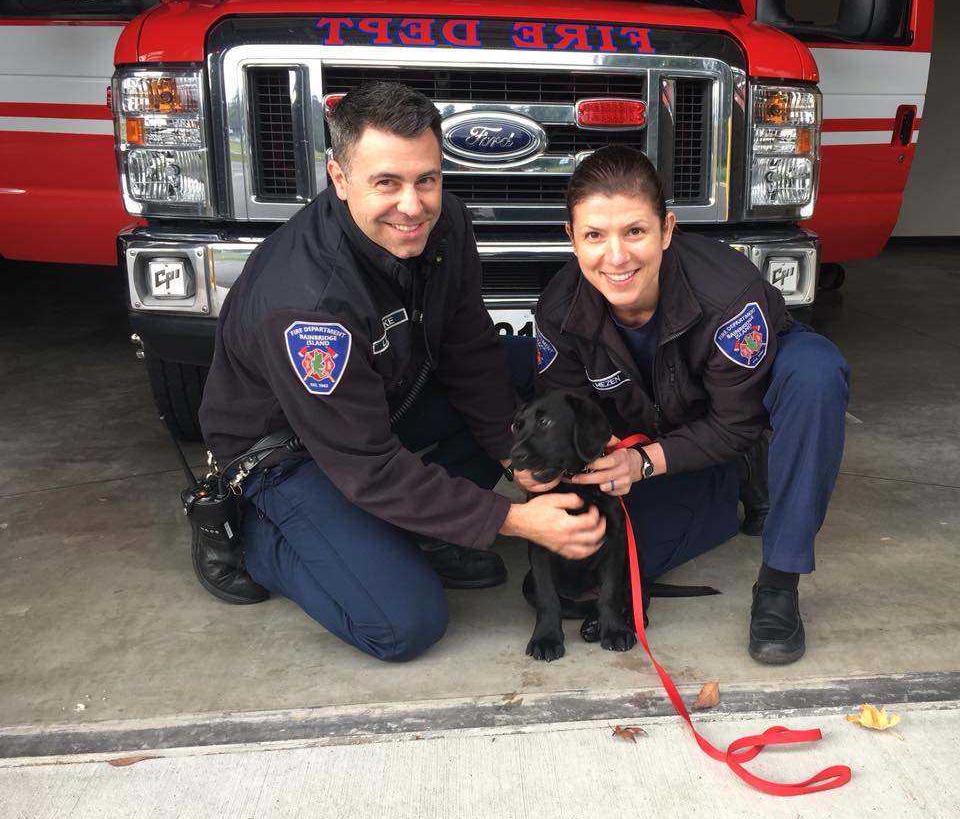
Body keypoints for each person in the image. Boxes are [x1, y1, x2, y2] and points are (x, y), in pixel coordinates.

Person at [196, 81, 607, 661]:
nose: (412, 205)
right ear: (339, 180)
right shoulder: (310, 309)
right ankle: (259, 539)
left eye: (427, 179)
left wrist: (513, 457)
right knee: (403, 623)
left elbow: (468, 345)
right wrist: (511, 520)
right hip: (290, 456)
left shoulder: (445, 224)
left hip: (381, 404)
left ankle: (409, 528)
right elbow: (366, 465)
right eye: (386, 182)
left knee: (522, 371)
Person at [529, 145, 849, 665]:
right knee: (586, 567)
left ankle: (778, 581)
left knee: (816, 373)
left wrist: (645, 461)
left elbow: (735, 421)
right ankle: (722, 486)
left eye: (634, 231)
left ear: (667, 230)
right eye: (594, 235)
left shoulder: (729, 298)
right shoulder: (558, 310)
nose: (616, 257)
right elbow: (563, 410)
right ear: (571, 238)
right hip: (654, 428)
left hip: (736, 408)